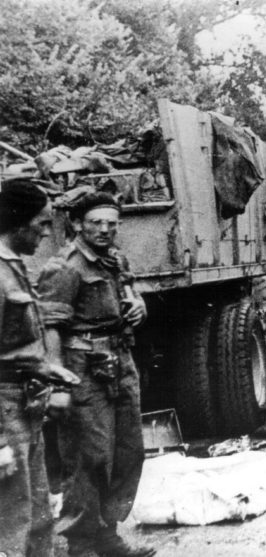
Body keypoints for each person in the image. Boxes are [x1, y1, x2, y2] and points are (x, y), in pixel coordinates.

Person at [36, 192, 153, 557]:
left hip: (120, 359)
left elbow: (131, 290)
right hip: (83, 368)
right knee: (89, 457)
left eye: (111, 223)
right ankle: (82, 543)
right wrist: (59, 383)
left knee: (128, 450)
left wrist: (138, 304)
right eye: (96, 223)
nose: (105, 230)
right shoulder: (65, 266)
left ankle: (108, 534)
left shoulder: (115, 259)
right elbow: (51, 326)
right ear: (77, 225)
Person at [0, 179, 80, 557]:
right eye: (42, 223)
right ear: (17, 221)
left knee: (38, 518)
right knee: (10, 524)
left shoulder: (14, 266)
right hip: (4, 413)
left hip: (24, 405)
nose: (47, 232)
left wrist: (42, 367)